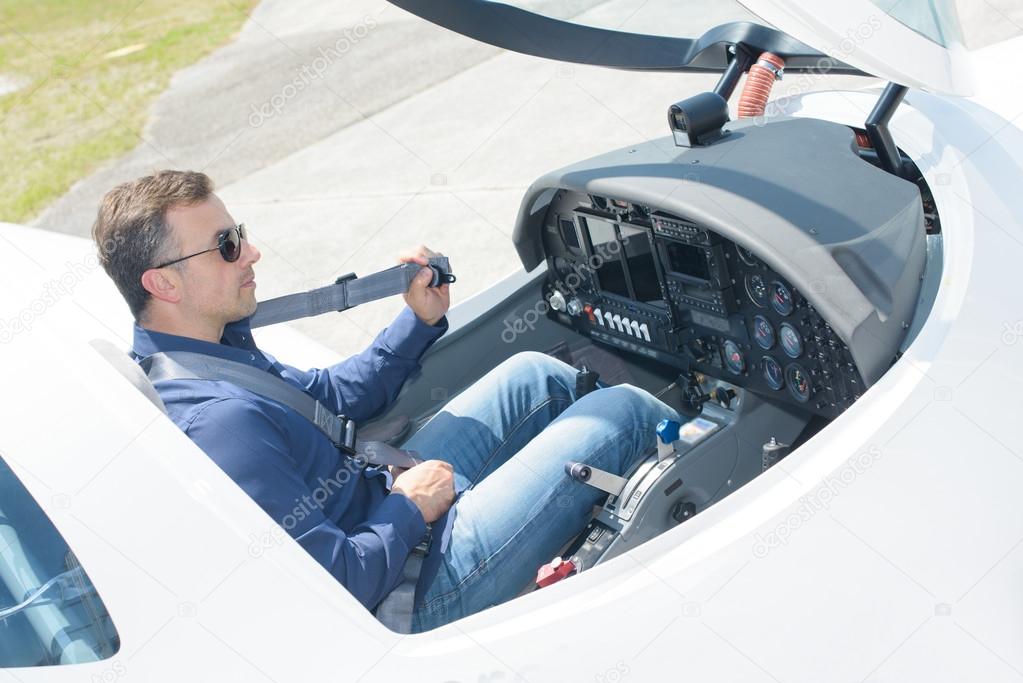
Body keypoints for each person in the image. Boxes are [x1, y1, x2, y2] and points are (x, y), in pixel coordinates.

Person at [93, 170, 681, 632]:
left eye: (239, 232)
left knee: (537, 376)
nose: (251, 253)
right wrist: (411, 508)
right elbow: (337, 584)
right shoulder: (220, 420)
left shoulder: (208, 349)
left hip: (381, 507)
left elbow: (327, 402)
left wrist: (416, 322)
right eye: (226, 245)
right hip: (409, 587)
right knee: (621, 414)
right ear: (163, 283)